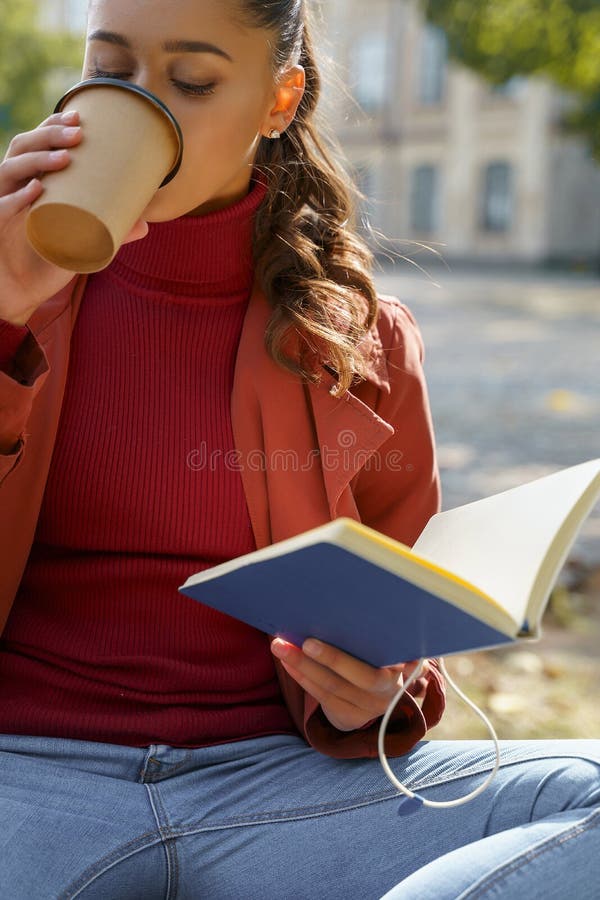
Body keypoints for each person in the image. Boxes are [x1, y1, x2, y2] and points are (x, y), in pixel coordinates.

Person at [0, 0, 598, 897]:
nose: (144, 104)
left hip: (274, 792)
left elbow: (404, 623)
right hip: (26, 777)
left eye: (192, 80)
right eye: (111, 71)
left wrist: (382, 693)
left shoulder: (362, 338)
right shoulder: (13, 283)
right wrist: (5, 313)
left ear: (279, 101)